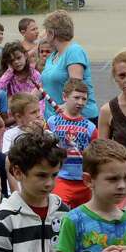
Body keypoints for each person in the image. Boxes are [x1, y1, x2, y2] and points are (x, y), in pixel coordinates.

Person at [46, 78, 97, 209]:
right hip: (61, 178)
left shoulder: (90, 127)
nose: (80, 102)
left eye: (84, 99)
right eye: (76, 97)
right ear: (64, 96)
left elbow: (96, 156)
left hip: (84, 181)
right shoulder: (52, 122)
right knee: (60, 215)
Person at [41, 10, 98, 123]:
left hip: (78, 118)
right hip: (55, 119)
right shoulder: (52, 56)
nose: (44, 36)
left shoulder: (74, 51)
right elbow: (44, 86)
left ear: (52, 34)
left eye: (46, 32)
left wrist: (64, 107)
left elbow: (76, 86)